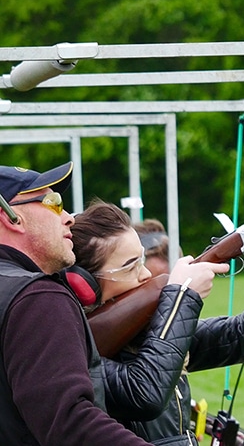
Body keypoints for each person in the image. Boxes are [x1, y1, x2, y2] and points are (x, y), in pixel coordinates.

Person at [70, 200, 244, 444]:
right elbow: (146, 392)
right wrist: (182, 298)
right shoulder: (73, 351)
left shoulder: (142, 333)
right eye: (130, 266)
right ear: (86, 285)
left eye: (141, 261)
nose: (145, 275)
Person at [0, 161, 154, 446]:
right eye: (53, 203)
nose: (69, 217)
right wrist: (182, 294)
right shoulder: (38, 298)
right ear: (11, 218)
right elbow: (70, 423)